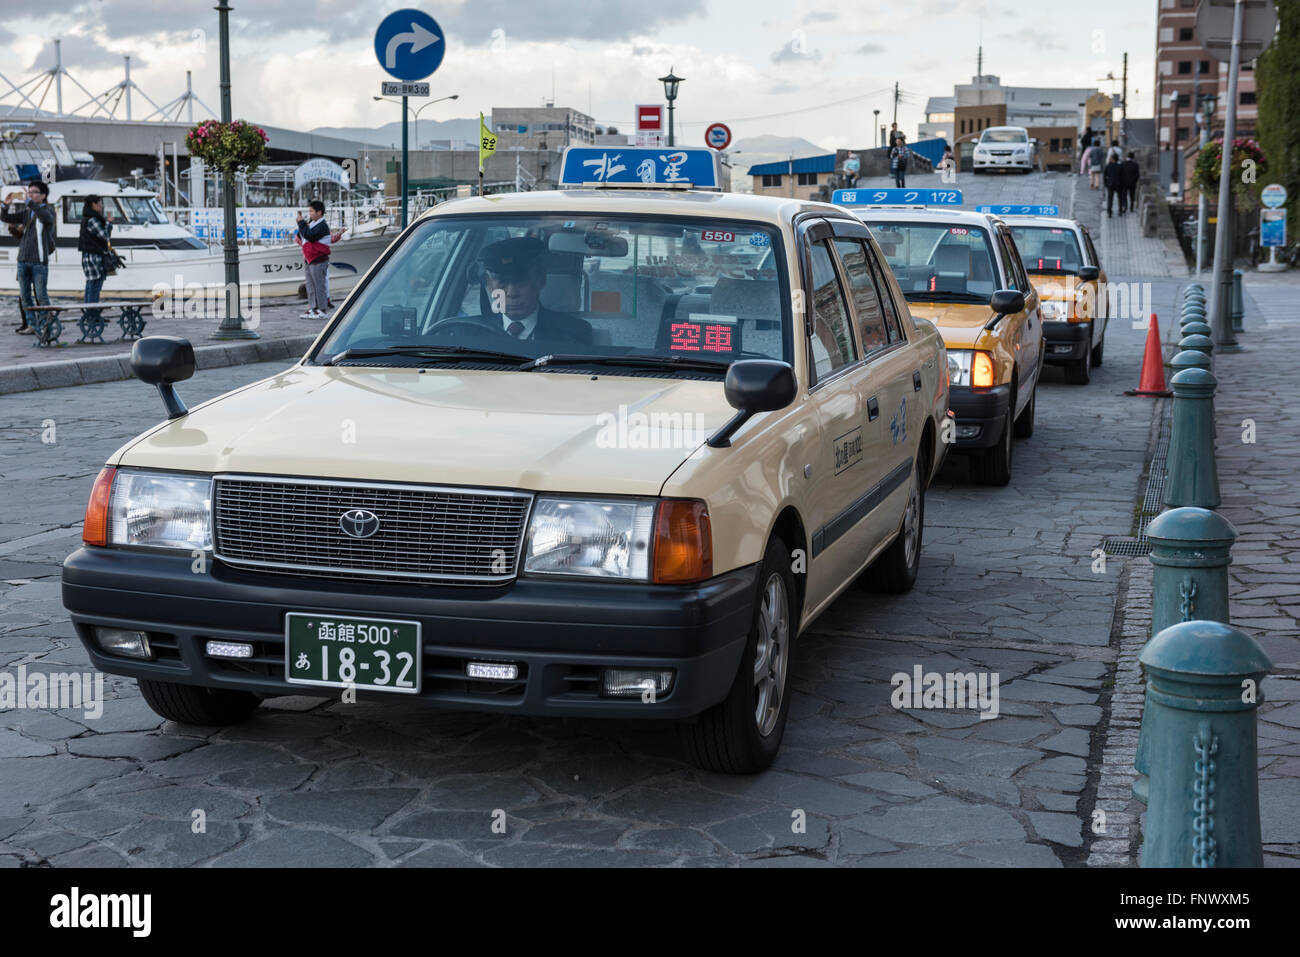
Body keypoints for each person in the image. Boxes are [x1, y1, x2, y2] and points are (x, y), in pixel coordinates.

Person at [475, 236, 592, 343]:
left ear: (541, 280)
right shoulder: (470, 332)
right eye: (502, 283)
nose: (512, 293)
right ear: (489, 286)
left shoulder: (574, 333)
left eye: (520, 281)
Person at [0, 181, 57, 334]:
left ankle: (47, 324)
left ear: (43, 196)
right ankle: (32, 325)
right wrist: (5, 205)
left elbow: (45, 217)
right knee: (25, 296)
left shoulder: (48, 211)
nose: (30, 194)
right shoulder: (27, 211)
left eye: (34, 192)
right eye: (29, 191)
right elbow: (5, 217)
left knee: (41, 295)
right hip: (23, 259)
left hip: (38, 260)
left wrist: (29, 202)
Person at [295, 200, 331, 318]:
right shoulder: (312, 224)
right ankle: (313, 308)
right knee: (310, 286)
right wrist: (302, 224)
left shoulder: (322, 226)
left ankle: (322, 310)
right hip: (309, 259)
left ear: (319, 212)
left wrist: (301, 224)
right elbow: (302, 235)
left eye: (311, 211)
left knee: (319, 285)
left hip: (319, 259)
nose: (309, 213)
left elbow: (310, 236)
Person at [77, 195, 113, 305]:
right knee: (95, 286)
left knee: (91, 284)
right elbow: (105, 235)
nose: (101, 206)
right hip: (94, 257)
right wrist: (108, 223)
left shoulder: (85, 218)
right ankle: (92, 314)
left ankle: (90, 313)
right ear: (94, 204)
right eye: (100, 203)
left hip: (87, 256)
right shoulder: (93, 220)